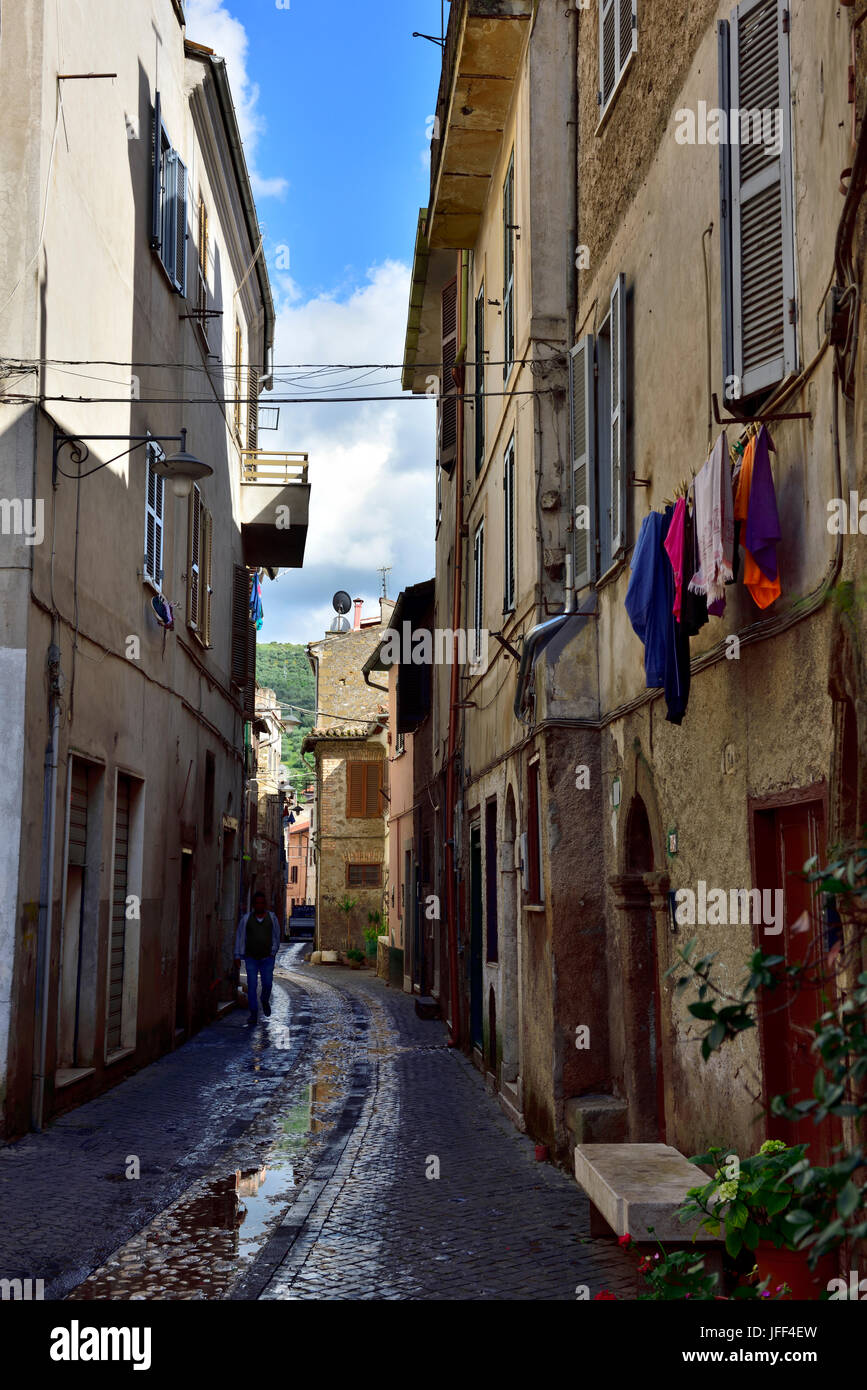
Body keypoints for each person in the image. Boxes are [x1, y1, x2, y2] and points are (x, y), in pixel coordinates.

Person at [234, 892, 280, 1026]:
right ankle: (253, 1013)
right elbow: (240, 937)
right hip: (251, 958)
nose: (260, 905)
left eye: (262, 903)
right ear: (254, 905)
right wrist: (237, 955)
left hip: (267, 958)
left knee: (267, 984)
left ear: (265, 905)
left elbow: (276, 936)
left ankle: (264, 1000)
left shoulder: (272, 918)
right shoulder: (246, 919)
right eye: (257, 903)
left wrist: (273, 952)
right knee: (252, 985)